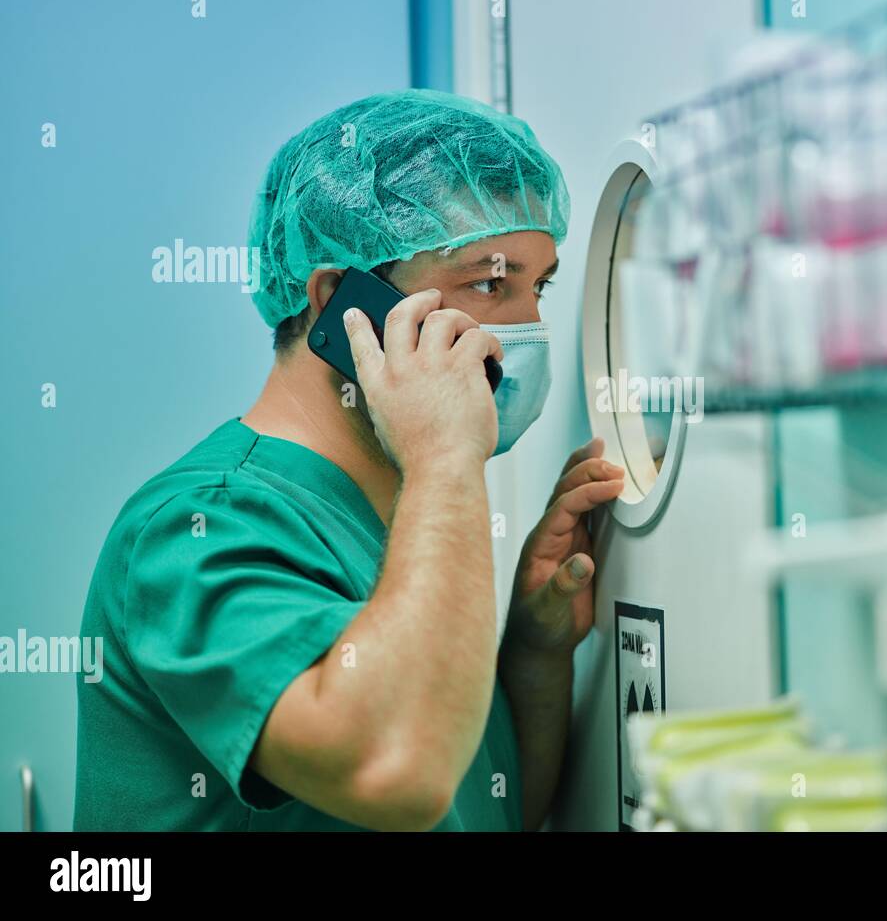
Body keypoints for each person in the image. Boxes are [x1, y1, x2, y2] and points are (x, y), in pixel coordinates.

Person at [74, 89, 624, 831]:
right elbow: (396, 771)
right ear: (342, 303)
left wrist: (534, 649)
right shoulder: (198, 526)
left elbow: (479, 814)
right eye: (489, 284)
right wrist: (443, 459)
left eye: (539, 287)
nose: (525, 328)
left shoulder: (393, 520)